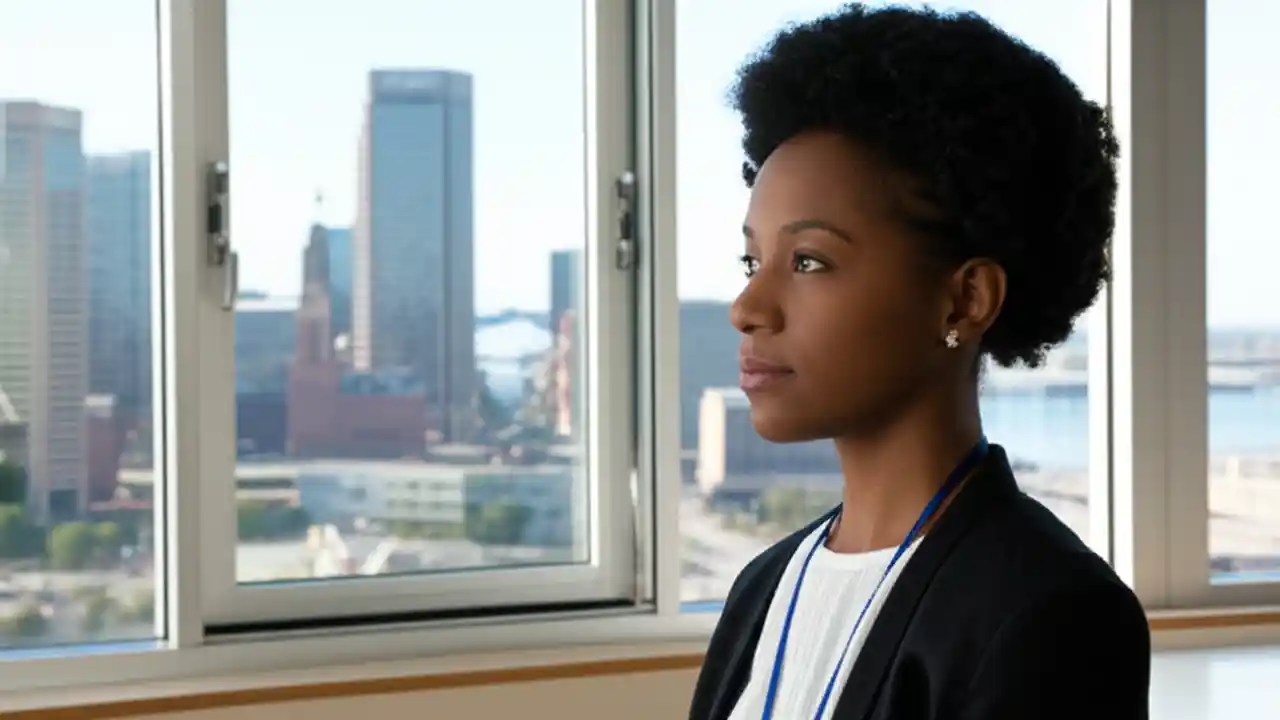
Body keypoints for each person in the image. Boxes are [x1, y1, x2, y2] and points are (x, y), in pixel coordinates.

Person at [688, 4, 1151, 720]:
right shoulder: (765, 585)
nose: (748, 305)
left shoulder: (1051, 615)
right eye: (754, 258)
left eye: (808, 260)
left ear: (965, 300)